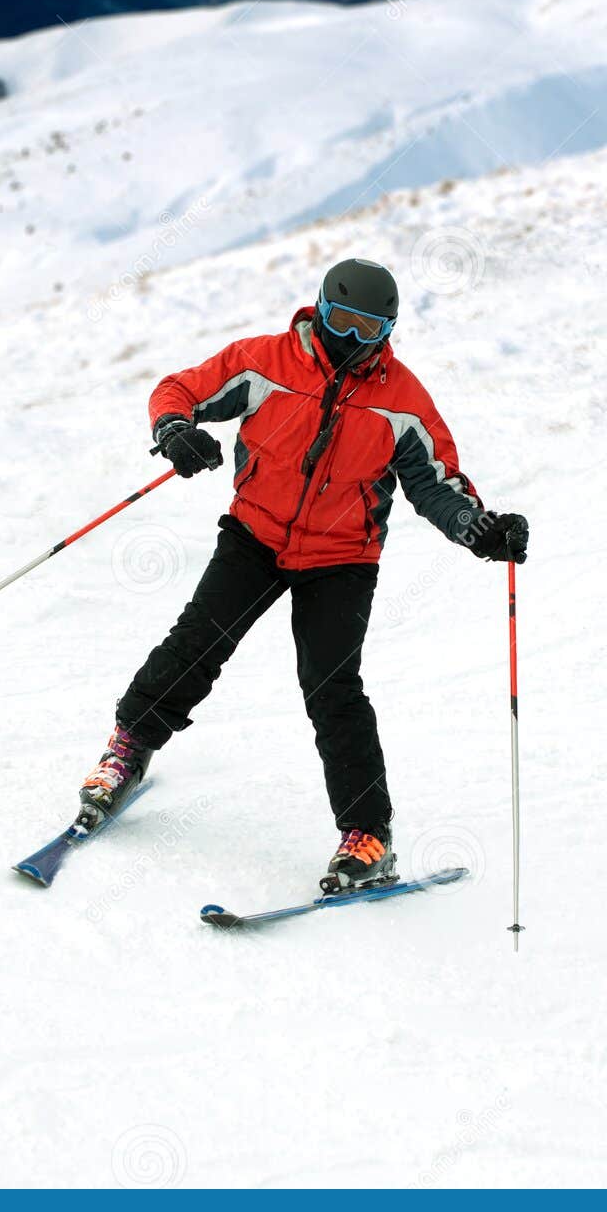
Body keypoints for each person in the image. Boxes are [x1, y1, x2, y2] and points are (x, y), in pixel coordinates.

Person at [81, 258, 528, 891]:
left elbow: (436, 484)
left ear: (388, 332)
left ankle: (367, 835)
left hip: (342, 558)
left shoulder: (402, 402)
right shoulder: (264, 361)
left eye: (367, 327)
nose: (348, 336)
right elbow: (178, 390)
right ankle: (128, 748)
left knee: (332, 687)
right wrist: (176, 431)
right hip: (254, 535)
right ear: (318, 306)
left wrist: (477, 528)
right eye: (340, 317)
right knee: (198, 643)